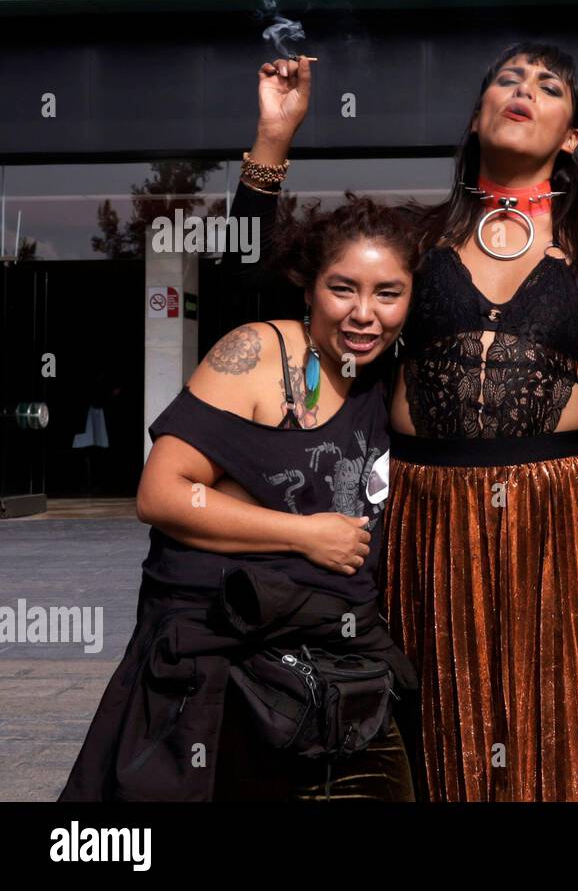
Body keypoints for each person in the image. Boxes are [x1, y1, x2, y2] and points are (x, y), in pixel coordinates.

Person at [224, 42, 578, 801]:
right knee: (442, 729)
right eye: (507, 80)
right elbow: (243, 265)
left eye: (548, 87)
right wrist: (274, 140)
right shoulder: (413, 240)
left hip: (559, 518)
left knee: (552, 731)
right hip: (427, 516)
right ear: (478, 116)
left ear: (571, 136)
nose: (524, 90)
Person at [60, 196, 418, 801]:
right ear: (308, 290)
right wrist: (306, 533)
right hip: (228, 672)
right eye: (342, 289)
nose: (364, 313)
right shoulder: (257, 352)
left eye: (388, 293)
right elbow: (162, 493)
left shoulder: (384, 377)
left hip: (342, 669)